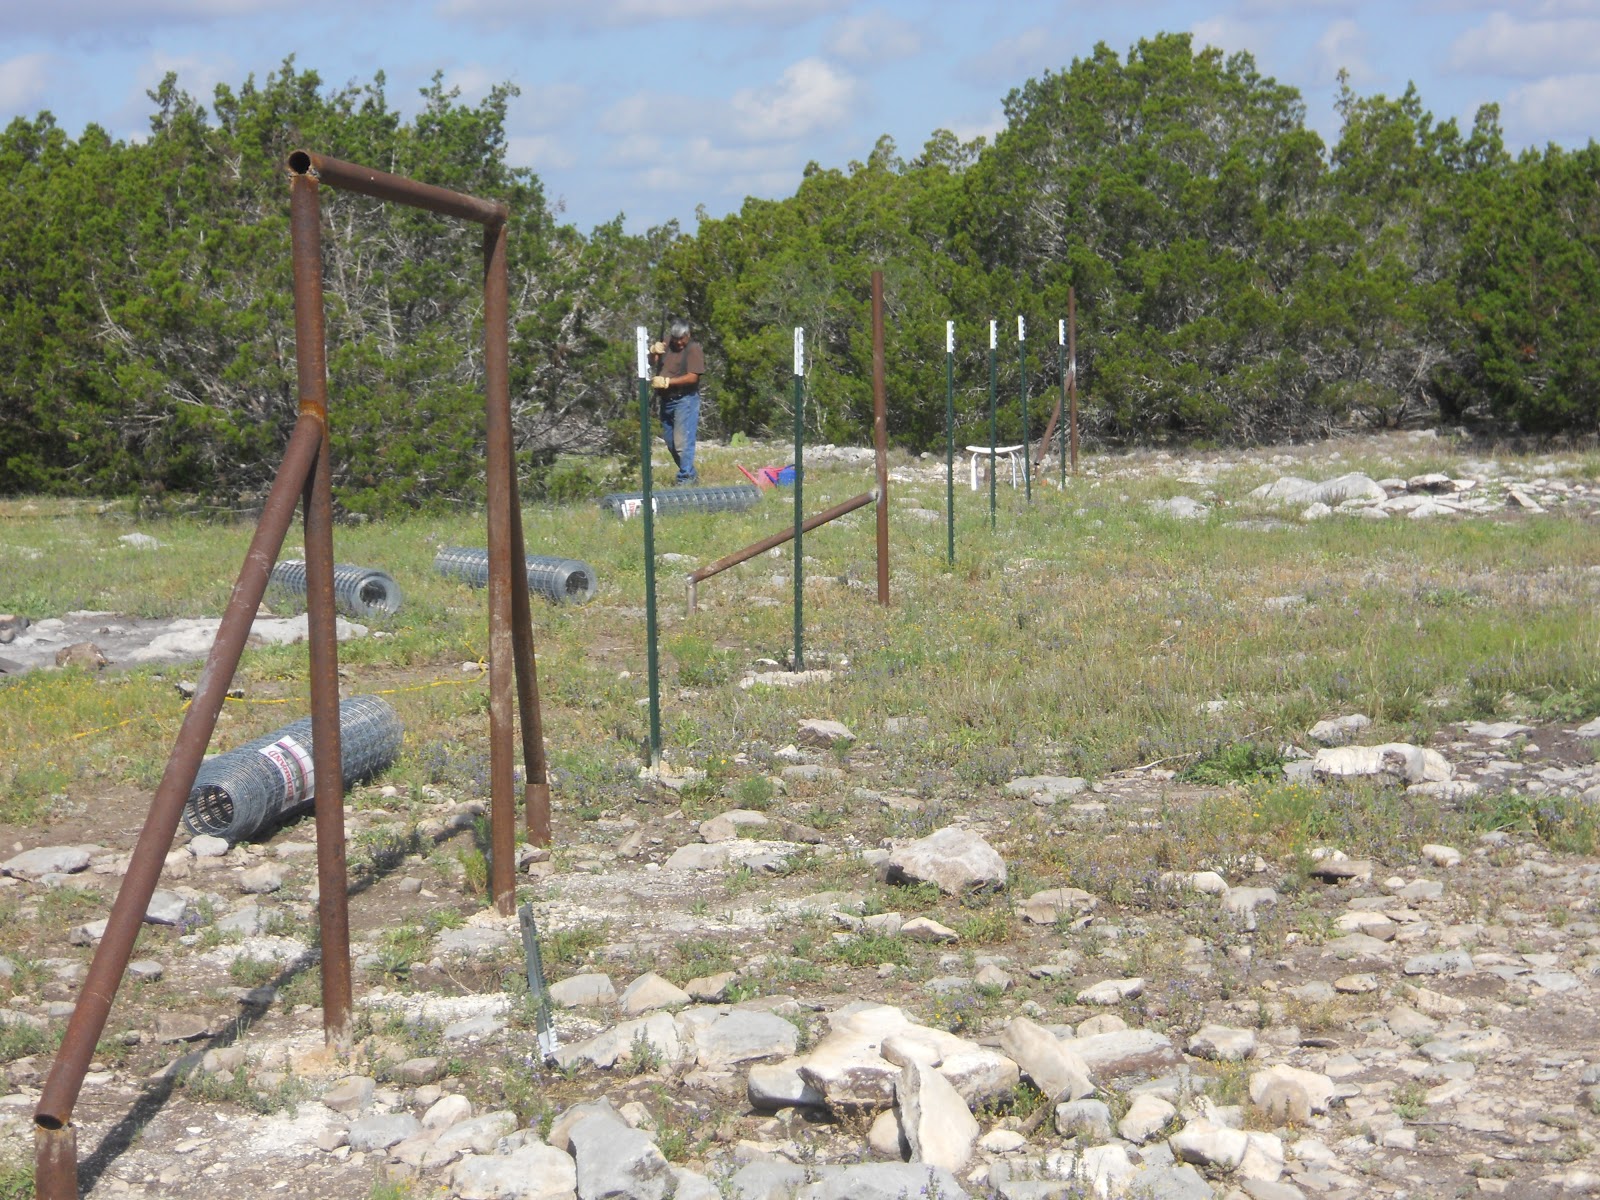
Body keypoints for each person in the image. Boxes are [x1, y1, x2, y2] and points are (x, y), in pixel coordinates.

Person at [649, 319, 705, 485]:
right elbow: (652, 362)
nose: (678, 342)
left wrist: (667, 382)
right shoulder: (666, 343)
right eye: (675, 339)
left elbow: (693, 377)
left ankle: (685, 480)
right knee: (671, 444)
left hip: (684, 400)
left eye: (682, 339)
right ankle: (691, 475)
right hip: (666, 400)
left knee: (682, 443)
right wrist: (653, 351)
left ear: (688, 336)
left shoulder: (693, 349)